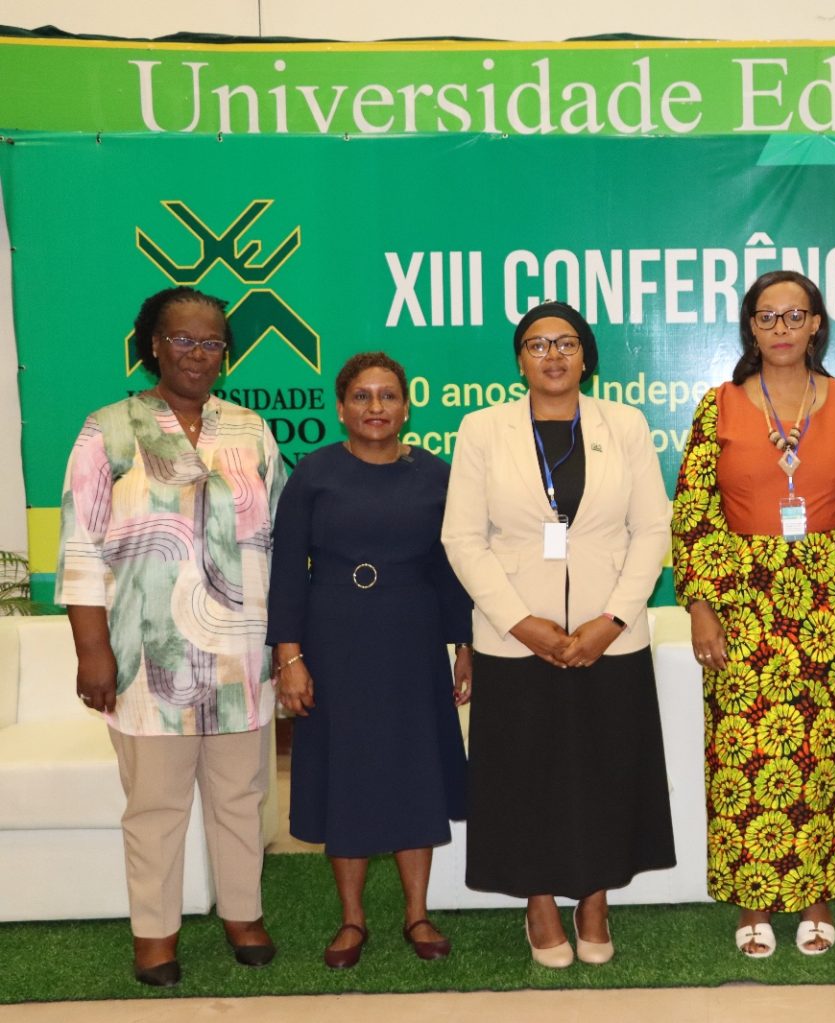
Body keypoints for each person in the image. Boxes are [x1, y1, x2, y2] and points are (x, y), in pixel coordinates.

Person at [57, 286, 284, 987]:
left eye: (212, 342)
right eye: (182, 339)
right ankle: (155, 931)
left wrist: (289, 647)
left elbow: (279, 540)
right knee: (155, 804)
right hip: (145, 659)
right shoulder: (108, 429)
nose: (197, 353)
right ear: (152, 344)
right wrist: (93, 651)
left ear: (227, 353)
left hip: (241, 655)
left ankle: (244, 914)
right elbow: (80, 547)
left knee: (241, 795)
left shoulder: (249, 430)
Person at [442, 301, 675, 969]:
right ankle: (539, 903)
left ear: (586, 357)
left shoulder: (624, 425)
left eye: (566, 343)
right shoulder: (482, 429)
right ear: (520, 360)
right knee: (523, 775)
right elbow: (463, 537)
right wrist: (522, 623)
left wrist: (612, 620)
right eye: (538, 344)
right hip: (514, 638)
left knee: (606, 769)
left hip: (610, 638)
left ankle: (594, 901)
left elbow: (651, 529)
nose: (553, 355)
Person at [672, 269, 835, 958]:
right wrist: (700, 605)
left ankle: (815, 894)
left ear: (816, 324)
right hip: (742, 604)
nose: (781, 329)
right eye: (767, 317)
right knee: (744, 755)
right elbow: (693, 513)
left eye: (794, 316)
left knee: (818, 752)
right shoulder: (719, 406)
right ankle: (753, 900)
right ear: (751, 327)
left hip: (828, 604)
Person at [266, 352, 473, 969]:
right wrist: (289, 656)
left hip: (412, 640)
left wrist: (465, 646)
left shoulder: (436, 475)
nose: (376, 407)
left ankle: (417, 914)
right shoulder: (313, 474)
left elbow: (452, 568)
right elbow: (286, 570)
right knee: (347, 774)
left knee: (415, 771)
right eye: (362, 396)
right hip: (334, 641)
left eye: (388, 396)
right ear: (341, 408)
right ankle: (352, 919)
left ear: (407, 407)